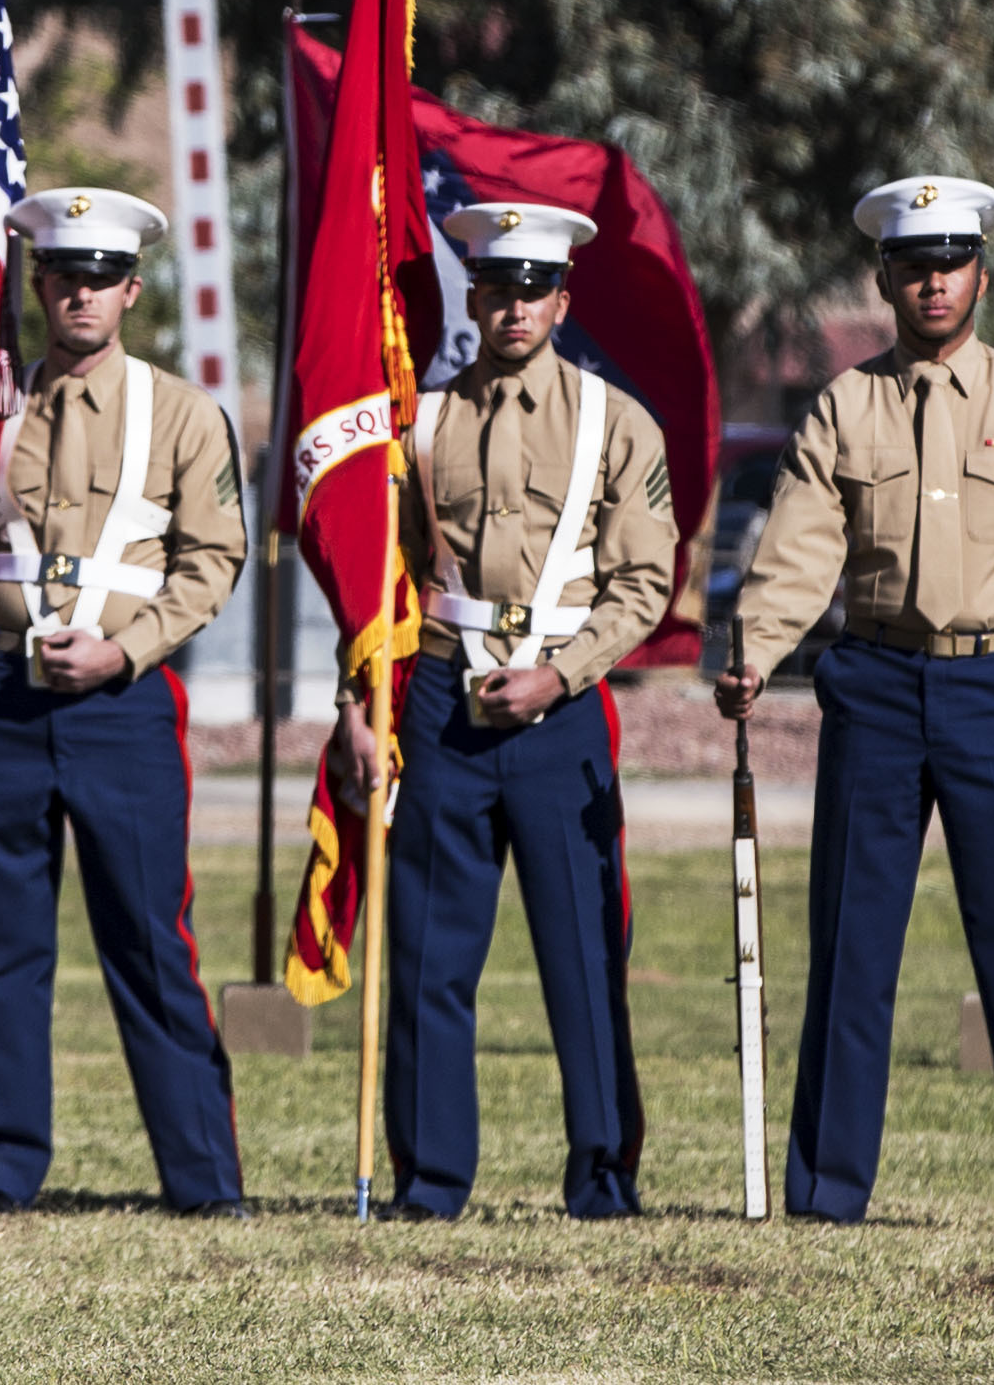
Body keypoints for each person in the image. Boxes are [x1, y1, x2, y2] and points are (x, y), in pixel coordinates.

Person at [715, 174, 994, 1230]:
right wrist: (754, 651)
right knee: (853, 953)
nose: (933, 283)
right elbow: (799, 552)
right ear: (885, 279)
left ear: (981, 276)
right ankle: (827, 1194)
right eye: (913, 267)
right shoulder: (845, 406)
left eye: (950, 264)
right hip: (877, 688)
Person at [0, 187, 250, 1217]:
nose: (81, 293)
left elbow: (212, 560)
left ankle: (202, 1181)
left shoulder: (182, 413)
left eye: (101, 277)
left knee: (151, 942)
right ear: (38, 284)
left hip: (120, 704)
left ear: (132, 290)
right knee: (0, 947)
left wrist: (126, 651)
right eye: (63, 275)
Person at [332, 201, 676, 1222]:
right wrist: (356, 700)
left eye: (535, 289)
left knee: (582, 956)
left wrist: (560, 676)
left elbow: (643, 584)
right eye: (496, 288)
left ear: (563, 300)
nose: (514, 306)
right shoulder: (421, 422)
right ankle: (430, 1179)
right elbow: (381, 579)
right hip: (444, 702)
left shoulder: (617, 422)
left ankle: (603, 1176)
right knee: (428, 956)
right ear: (472, 297)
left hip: (560, 709)